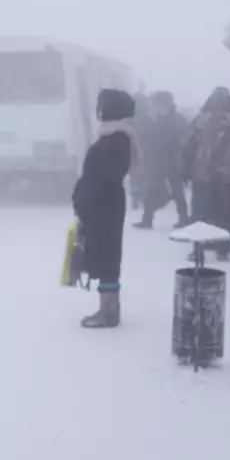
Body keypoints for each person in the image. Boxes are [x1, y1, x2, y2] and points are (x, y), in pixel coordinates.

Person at [72, 89, 140, 328]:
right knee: (107, 255)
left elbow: (97, 177)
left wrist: (82, 202)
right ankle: (109, 308)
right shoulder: (120, 138)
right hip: (108, 203)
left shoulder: (112, 141)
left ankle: (108, 312)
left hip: (102, 205)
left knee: (106, 257)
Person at [181, 87, 230, 260]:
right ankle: (215, 247)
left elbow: (187, 147)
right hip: (218, 176)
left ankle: (209, 247)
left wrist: (185, 167)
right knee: (215, 213)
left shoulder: (201, 123)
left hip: (214, 175)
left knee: (209, 212)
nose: (218, 109)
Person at [133, 91, 190, 229]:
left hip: (173, 160)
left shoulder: (176, 120)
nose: (158, 107)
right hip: (159, 160)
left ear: (168, 104)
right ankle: (147, 219)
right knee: (152, 189)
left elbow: (184, 140)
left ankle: (183, 218)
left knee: (177, 191)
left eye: (160, 104)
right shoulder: (158, 120)